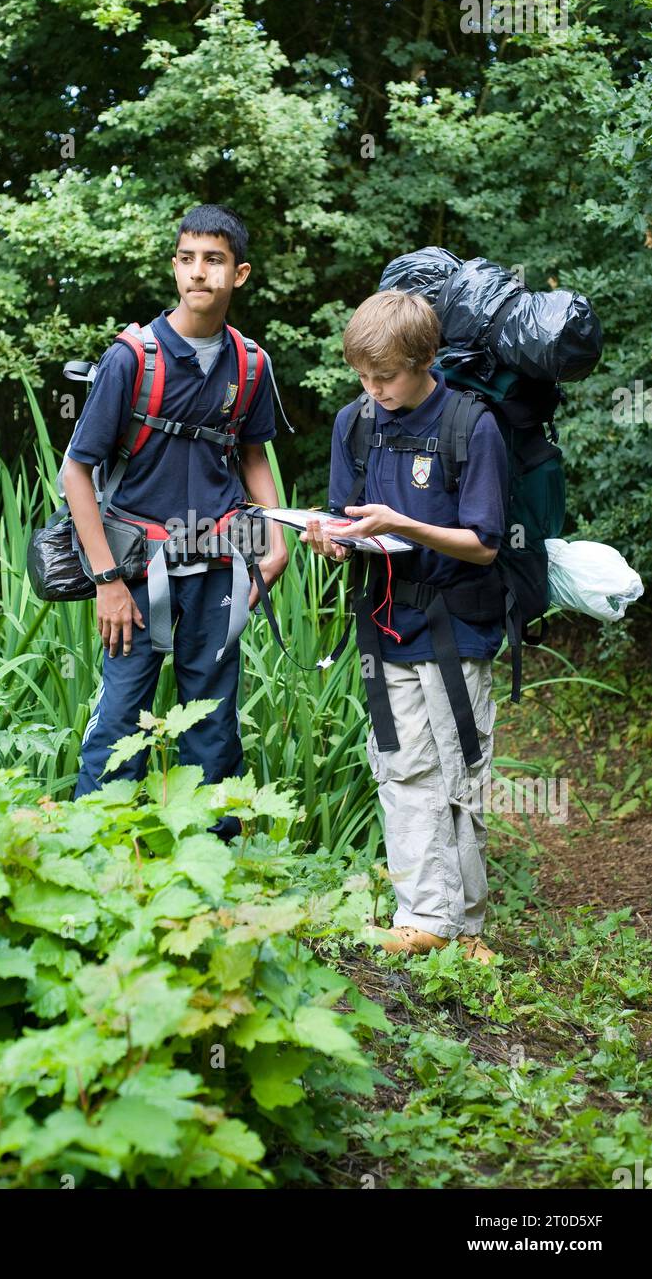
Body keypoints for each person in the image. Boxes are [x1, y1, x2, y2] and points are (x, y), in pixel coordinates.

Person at [61, 204, 289, 838]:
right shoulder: (133, 358)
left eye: (213, 260)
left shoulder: (251, 365)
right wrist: (106, 580)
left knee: (213, 725)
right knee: (118, 721)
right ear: (174, 266)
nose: (198, 272)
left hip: (218, 566)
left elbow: (252, 454)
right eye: (187, 258)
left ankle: (216, 872)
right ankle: (94, 860)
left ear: (238, 274)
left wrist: (275, 543)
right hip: (132, 574)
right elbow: (75, 472)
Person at [302, 289, 509, 962]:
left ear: (423, 361)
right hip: (384, 624)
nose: (374, 390)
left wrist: (403, 524)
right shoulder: (354, 423)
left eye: (385, 377)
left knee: (460, 772)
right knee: (400, 768)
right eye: (362, 377)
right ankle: (420, 917)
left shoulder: (468, 425)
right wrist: (327, 538)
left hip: (455, 625)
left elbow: (483, 543)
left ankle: (467, 928)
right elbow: (344, 520)